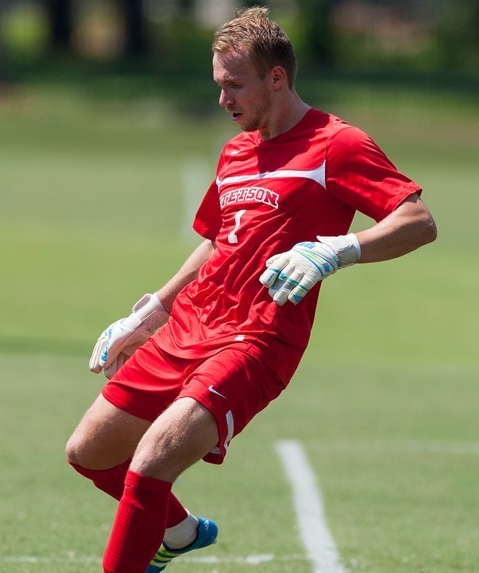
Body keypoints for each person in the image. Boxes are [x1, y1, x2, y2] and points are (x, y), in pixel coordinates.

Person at [65, 6, 437, 572]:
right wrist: (149, 313)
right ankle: (180, 532)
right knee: (89, 452)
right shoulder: (235, 150)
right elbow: (218, 240)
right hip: (190, 325)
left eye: (235, 85)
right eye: (218, 85)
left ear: (277, 78)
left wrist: (339, 249)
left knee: (151, 461)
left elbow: (418, 221)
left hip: (256, 339)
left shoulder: (337, 144)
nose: (223, 100)